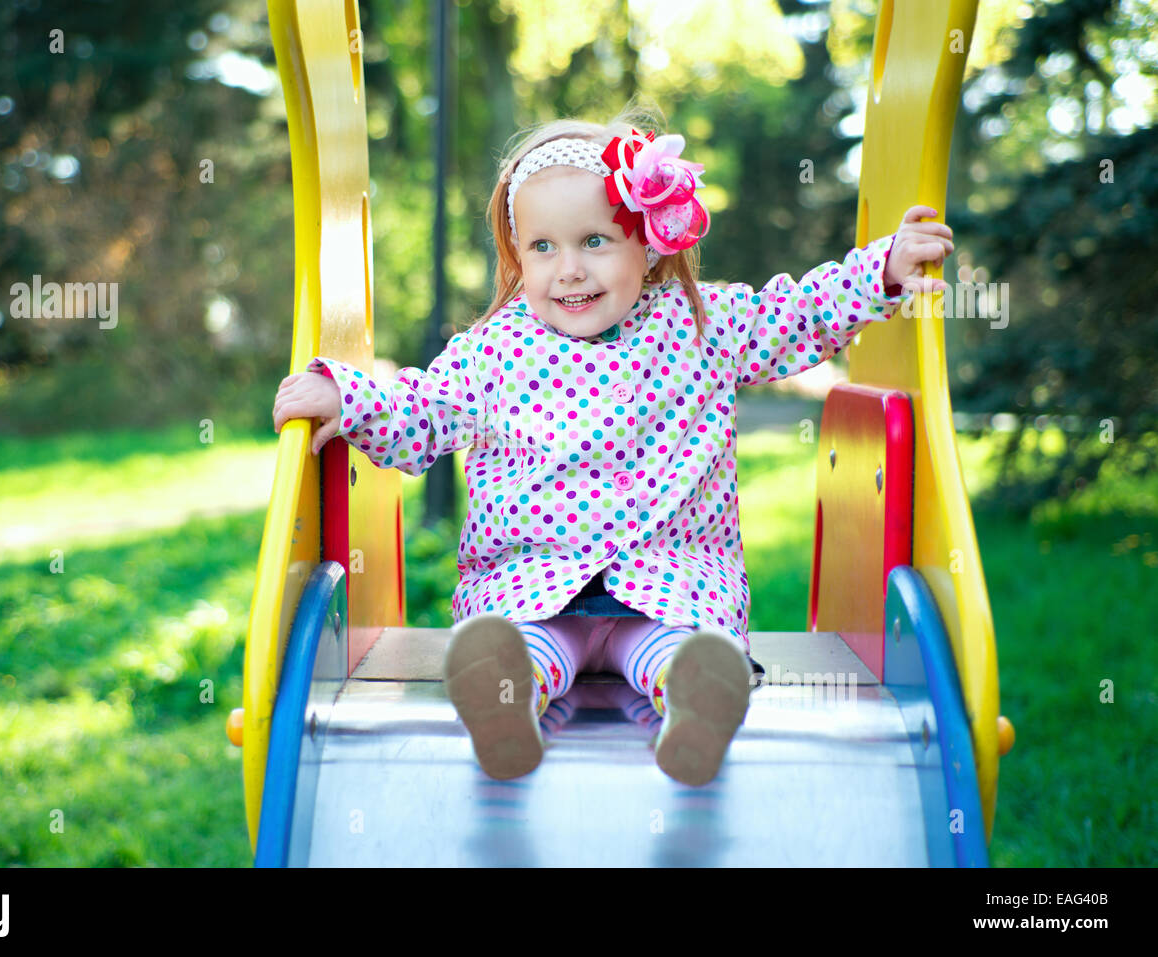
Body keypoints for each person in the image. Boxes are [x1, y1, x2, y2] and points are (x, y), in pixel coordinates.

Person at [271, 105, 953, 787]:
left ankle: (696, 707)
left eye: (594, 240)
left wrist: (881, 273)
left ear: (648, 243)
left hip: (668, 585)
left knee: (681, 651)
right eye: (542, 247)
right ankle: (506, 705)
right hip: (533, 585)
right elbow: (423, 409)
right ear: (517, 255)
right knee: (523, 649)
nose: (568, 269)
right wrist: (350, 399)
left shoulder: (700, 324)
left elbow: (797, 314)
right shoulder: (496, 350)